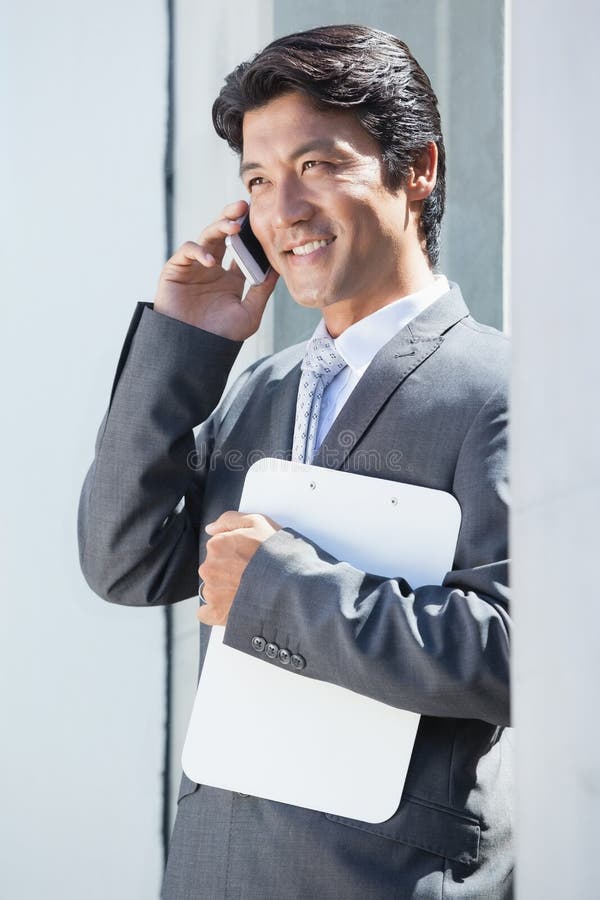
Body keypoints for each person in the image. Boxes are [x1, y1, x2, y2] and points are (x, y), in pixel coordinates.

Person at [78, 24, 512, 900]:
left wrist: (279, 590)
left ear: (416, 167)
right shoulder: (259, 389)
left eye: (317, 166)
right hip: (214, 871)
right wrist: (183, 349)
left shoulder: (506, 390)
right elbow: (123, 563)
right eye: (258, 180)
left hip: (385, 878)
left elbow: (517, 656)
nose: (284, 210)